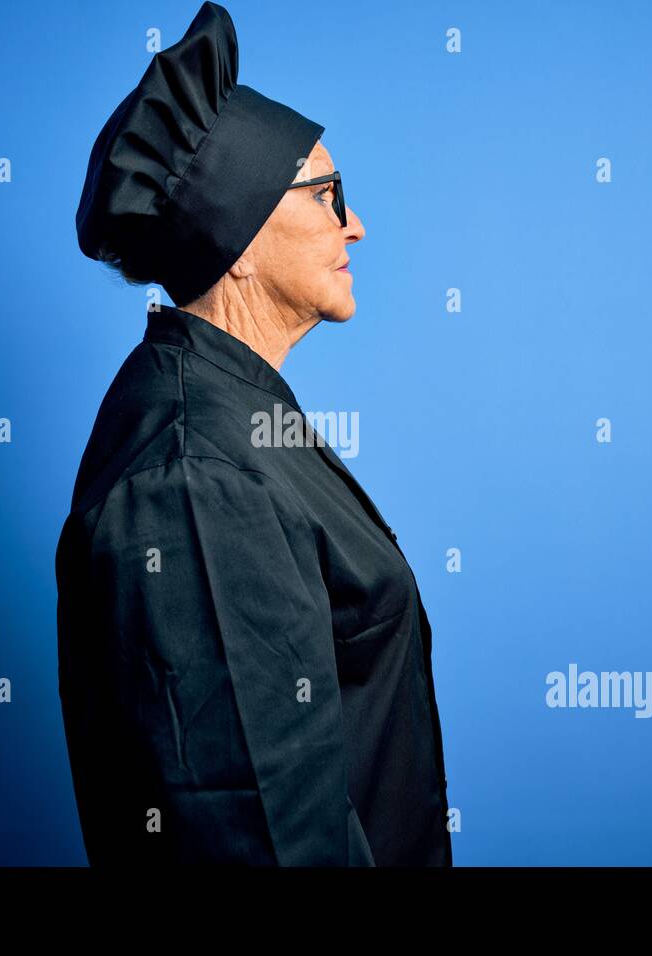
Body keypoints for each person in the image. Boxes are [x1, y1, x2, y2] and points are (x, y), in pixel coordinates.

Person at [57, 0, 451, 865]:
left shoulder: (239, 416)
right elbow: (257, 834)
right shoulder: (197, 478)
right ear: (236, 234)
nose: (356, 225)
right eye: (328, 195)